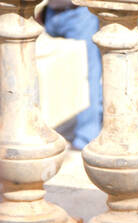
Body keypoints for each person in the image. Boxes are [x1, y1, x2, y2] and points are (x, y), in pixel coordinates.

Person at [42, 0, 104, 151]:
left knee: (87, 75)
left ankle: (86, 138)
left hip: (79, 12)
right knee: (56, 76)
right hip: (50, 12)